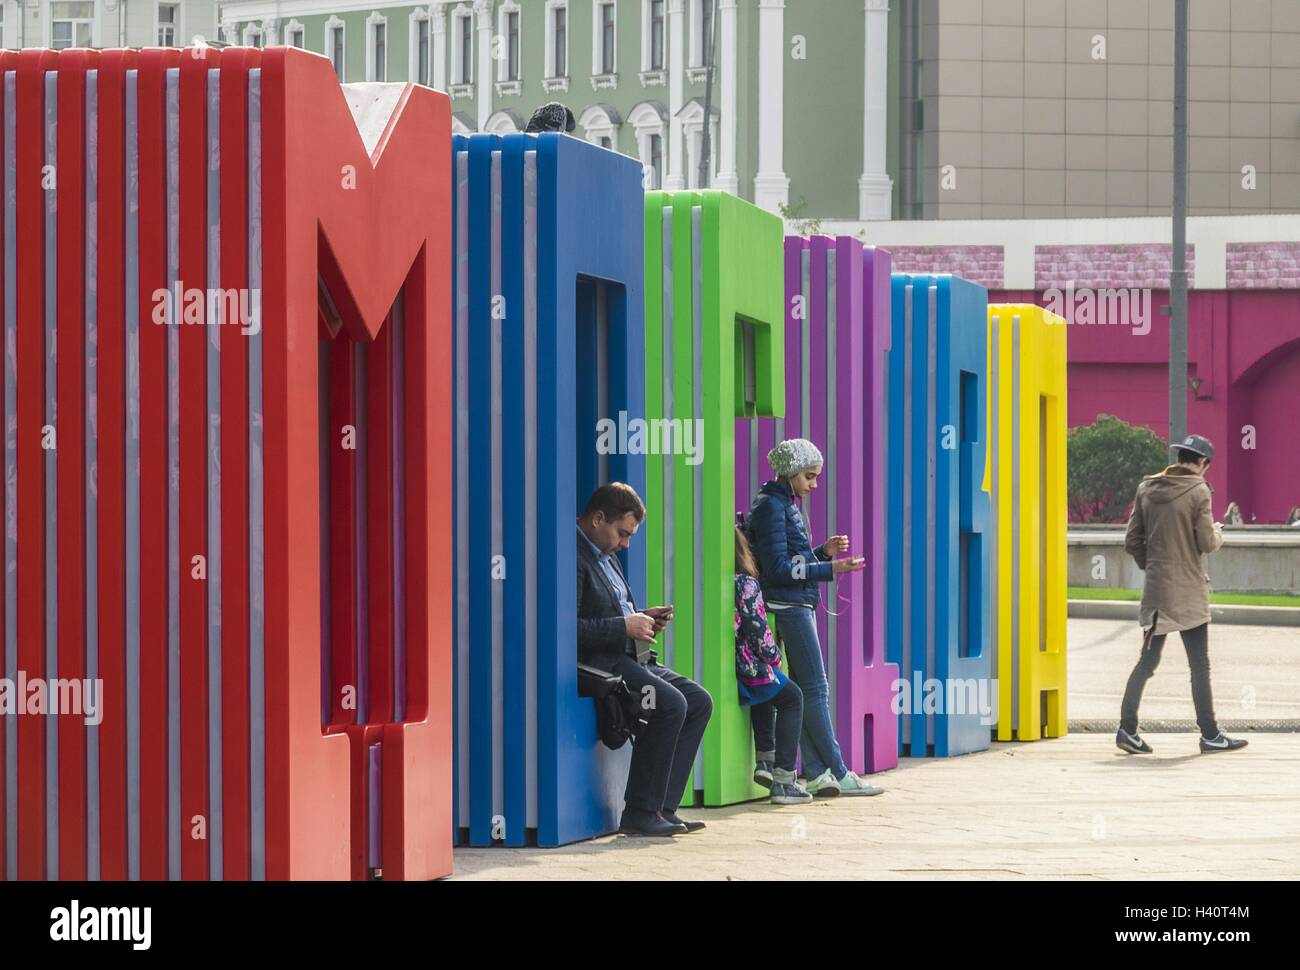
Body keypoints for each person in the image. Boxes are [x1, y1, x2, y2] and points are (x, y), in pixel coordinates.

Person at [747, 438, 884, 797]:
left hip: (794, 603)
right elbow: (777, 568)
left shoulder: (780, 504)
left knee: (807, 691)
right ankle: (839, 771)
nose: (813, 485)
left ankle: (817, 770)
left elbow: (789, 556)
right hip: (789, 606)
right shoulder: (773, 507)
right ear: (790, 472)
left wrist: (822, 552)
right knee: (816, 689)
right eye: (809, 476)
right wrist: (828, 567)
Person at [577, 482, 713, 836]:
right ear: (598, 518)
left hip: (631, 656)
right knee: (670, 704)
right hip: (602, 661)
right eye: (622, 533)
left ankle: (663, 808)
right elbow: (569, 628)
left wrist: (643, 617)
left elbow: (615, 610)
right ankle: (640, 810)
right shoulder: (574, 558)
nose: (625, 544)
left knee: (699, 701)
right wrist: (625, 625)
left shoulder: (607, 557)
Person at [1119, 434, 1248, 755]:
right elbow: (1206, 542)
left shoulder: (1146, 488)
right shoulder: (1198, 491)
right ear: (1203, 463)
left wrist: (1152, 567)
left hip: (1157, 592)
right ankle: (1210, 734)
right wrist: (1218, 532)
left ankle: (1126, 729)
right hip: (1189, 590)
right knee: (1199, 665)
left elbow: (1132, 541)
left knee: (1147, 662)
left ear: (1179, 458)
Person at [735, 526, 812, 805]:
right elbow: (758, 628)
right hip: (748, 665)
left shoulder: (718, 581)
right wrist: (774, 657)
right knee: (793, 696)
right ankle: (783, 780)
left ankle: (765, 761)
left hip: (731, 667)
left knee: (767, 692)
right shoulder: (746, 583)